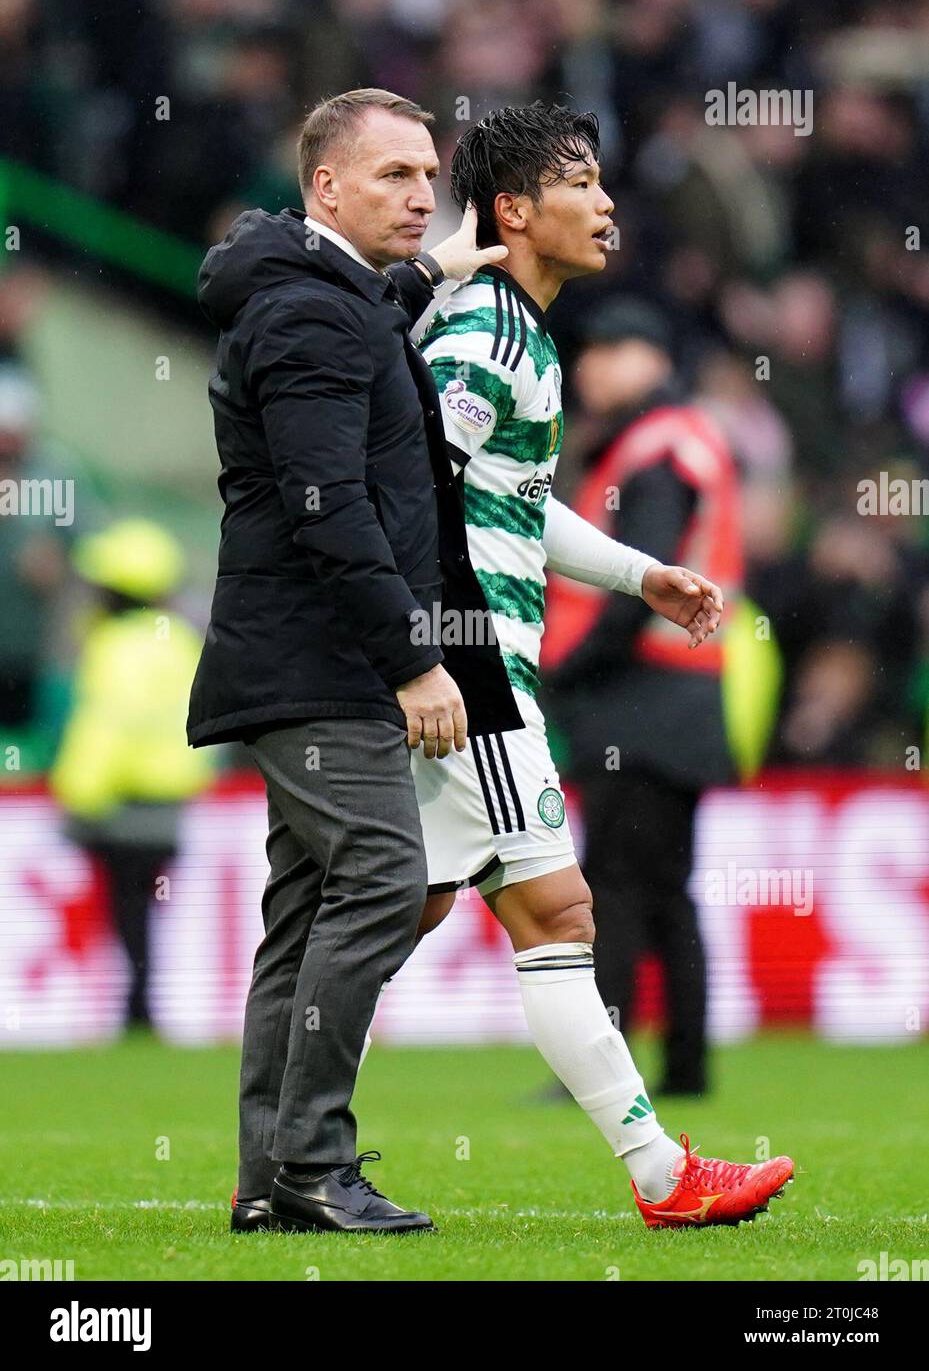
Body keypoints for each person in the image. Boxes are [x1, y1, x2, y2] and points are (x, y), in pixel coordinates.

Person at [407, 104, 792, 1229]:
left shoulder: (519, 332)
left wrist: (638, 576)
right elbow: (413, 482)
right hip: (469, 672)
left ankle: (283, 1148)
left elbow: (510, 503)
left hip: (463, 666)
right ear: (513, 209)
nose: (606, 201)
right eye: (579, 181)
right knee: (560, 911)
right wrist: (428, 652)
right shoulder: (480, 330)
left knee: (394, 914)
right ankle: (662, 1174)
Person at [186, 88, 521, 1235]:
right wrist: (413, 660)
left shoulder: (310, 295)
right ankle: (310, 1162)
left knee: (306, 911)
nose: (422, 194)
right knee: (381, 881)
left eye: (429, 175)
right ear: (325, 186)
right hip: (324, 663)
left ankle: (267, 1176)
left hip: (299, 658)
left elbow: (360, 319)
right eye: (394, 176)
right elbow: (329, 506)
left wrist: (438, 272)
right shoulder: (312, 317)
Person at [543, 299, 744, 1098]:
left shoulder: (653, 449)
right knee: (664, 889)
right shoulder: (678, 441)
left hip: (641, 700)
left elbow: (639, 586)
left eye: (603, 350)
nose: (586, 368)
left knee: (619, 889)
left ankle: (602, 1071)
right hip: (683, 697)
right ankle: (686, 1067)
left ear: (650, 358)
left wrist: (564, 669)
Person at [50, 518, 214, 1030]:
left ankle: (137, 1008)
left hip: (122, 803)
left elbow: (105, 728)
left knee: (126, 906)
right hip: (170, 802)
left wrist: (79, 793)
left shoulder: (115, 646)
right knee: (146, 906)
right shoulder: (179, 641)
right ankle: (142, 1002)